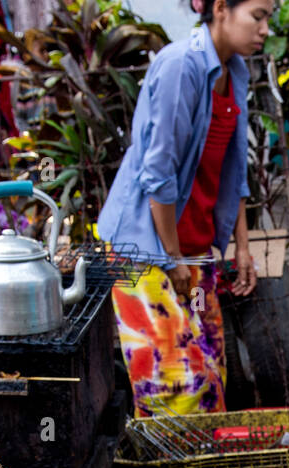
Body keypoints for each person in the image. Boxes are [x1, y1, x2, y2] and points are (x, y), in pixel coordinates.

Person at [97, 0, 266, 417]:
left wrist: (241, 247)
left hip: (194, 248)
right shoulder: (181, 66)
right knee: (175, 388)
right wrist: (171, 258)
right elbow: (158, 173)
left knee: (209, 378)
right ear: (221, 8)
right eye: (258, 16)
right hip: (146, 250)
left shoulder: (235, 72)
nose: (264, 29)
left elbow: (233, 171)